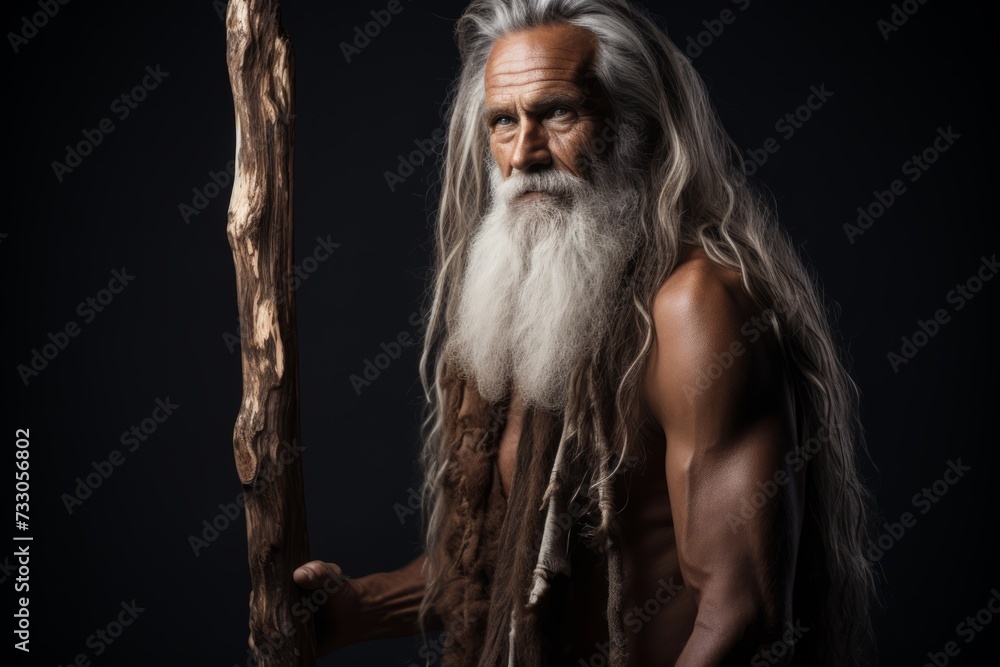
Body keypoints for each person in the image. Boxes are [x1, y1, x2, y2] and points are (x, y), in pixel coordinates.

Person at [294, 1, 876, 665]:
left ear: (637, 126)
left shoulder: (695, 305)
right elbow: (511, 561)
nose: (523, 153)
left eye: (558, 113)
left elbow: (742, 611)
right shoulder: (538, 305)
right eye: (503, 122)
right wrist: (355, 609)